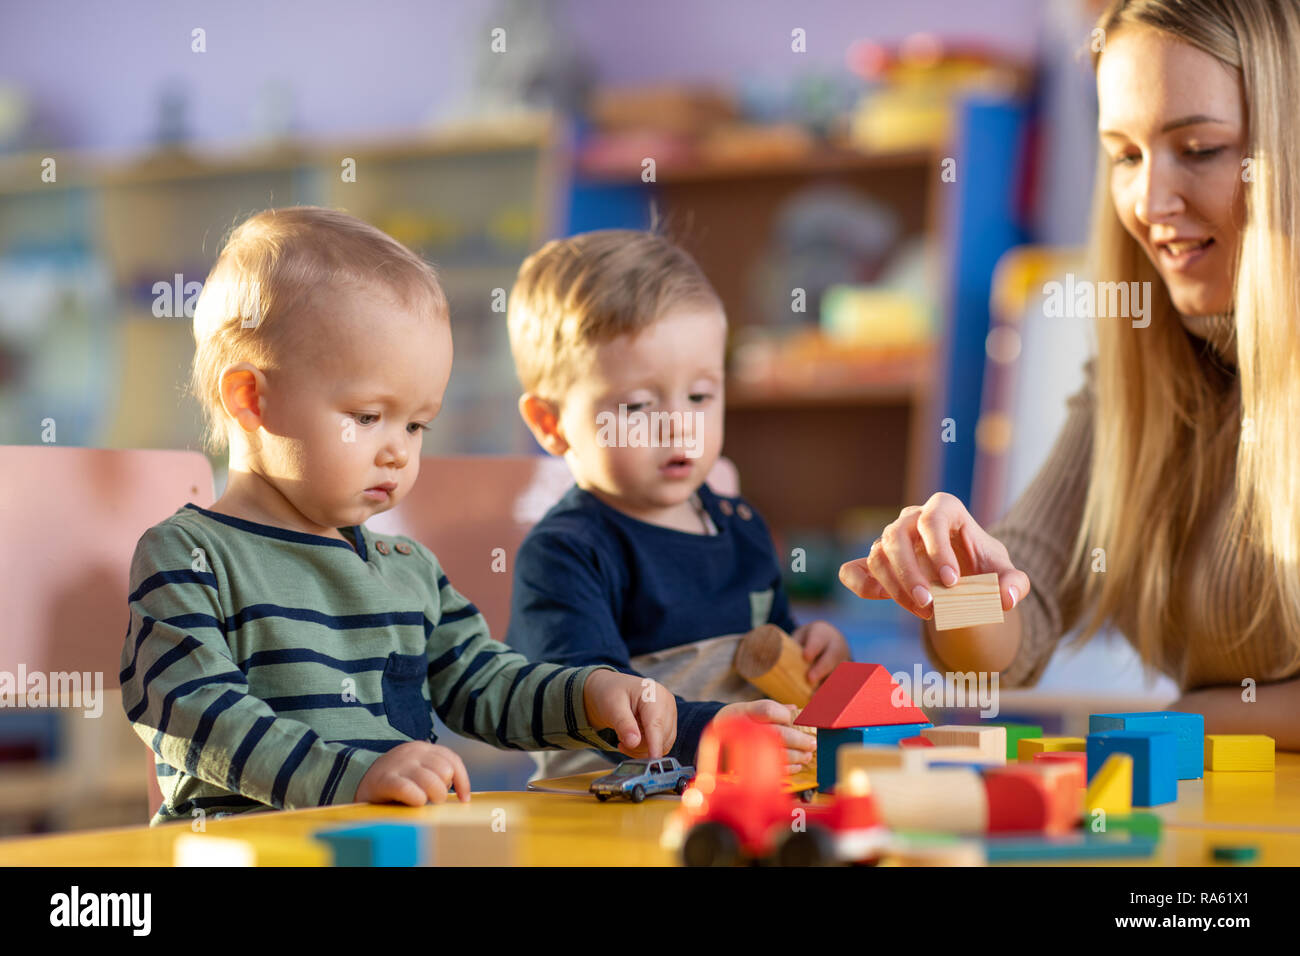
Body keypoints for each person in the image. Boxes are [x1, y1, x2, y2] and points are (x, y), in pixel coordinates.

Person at [839, 0, 1300, 750]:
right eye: (1125, 155)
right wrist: (954, 585)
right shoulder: (1142, 369)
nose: (1150, 203)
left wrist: (1190, 719)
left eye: (1201, 148)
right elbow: (1012, 643)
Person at [120, 207, 676, 824]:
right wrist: (352, 778)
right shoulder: (187, 555)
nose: (399, 449)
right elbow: (192, 710)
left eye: (416, 424)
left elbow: (486, 685)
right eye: (366, 417)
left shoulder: (408, 570)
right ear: (251, 398)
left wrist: (591, 696)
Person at [504, 229, 850, 778]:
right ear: (552, 424)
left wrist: (810, 647)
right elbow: (600, 709)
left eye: (700, 396)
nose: (680, 428)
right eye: (639, 405)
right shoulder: (565, 555)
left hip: (735, 795)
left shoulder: (738, 524)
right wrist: (715, 734)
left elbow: (771, 639)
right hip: (604, 810)